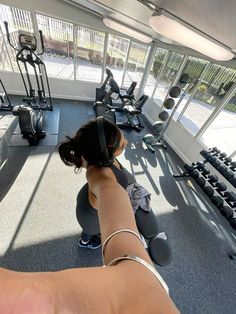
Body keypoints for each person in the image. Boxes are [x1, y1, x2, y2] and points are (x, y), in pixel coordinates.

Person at [0, 164, 179, 313]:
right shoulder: (142, 284)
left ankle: (85, 241)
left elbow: (107, 189)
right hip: (96, 221)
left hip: (86, 217)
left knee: (90, 233)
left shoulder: (93, 189)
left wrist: (99, 178)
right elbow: (122, 225)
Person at [58, 117, 136, 249]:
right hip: (90, 218)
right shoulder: (99, 175)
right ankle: (84, 242)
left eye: (123, 138)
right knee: (89, 233)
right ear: (104, 153)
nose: (127, 143)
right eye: (122, 145)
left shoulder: (93, 156)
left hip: (86, 202)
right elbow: (106, 188)